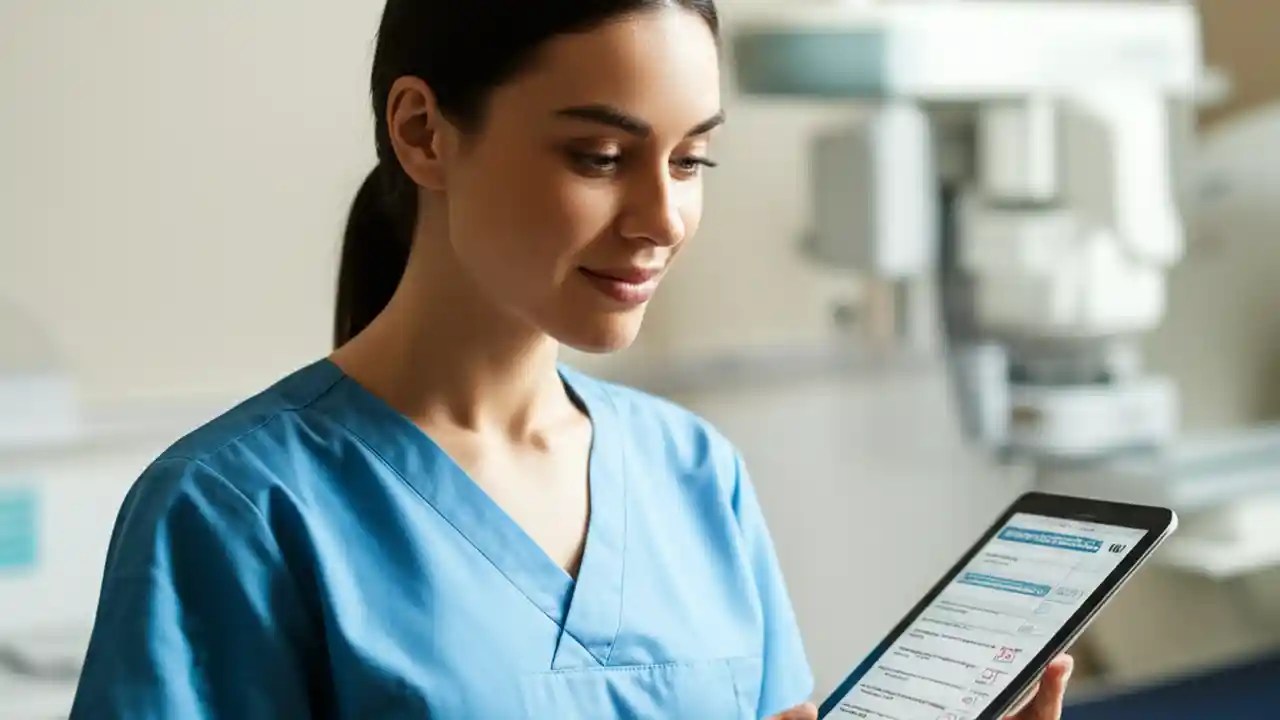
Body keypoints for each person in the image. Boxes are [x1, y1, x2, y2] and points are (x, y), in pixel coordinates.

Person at [69, 1, 1073, 717]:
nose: (663, 219)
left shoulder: (693, 474)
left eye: (691, 160)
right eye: (600, 157)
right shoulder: (235, 511)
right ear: (423, 132)